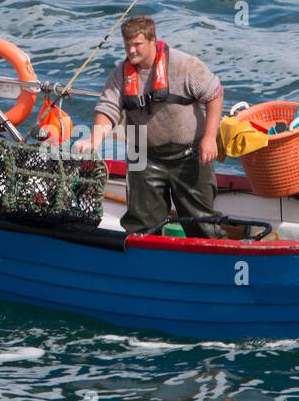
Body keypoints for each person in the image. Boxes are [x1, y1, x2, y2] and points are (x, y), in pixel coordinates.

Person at [74, 15, 225, 237]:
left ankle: (213, 262)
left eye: (137, 44)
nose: (131, 51)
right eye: (127, 45)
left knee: (202, 224)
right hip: (143, 154)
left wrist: (209, 138)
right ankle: (144, 262)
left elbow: (215, 94)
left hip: (189, 154)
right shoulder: (119, 75)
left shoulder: (184, 65)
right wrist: (92, 141)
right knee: (141, 226)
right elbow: (108, 109)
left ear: (153, 41)